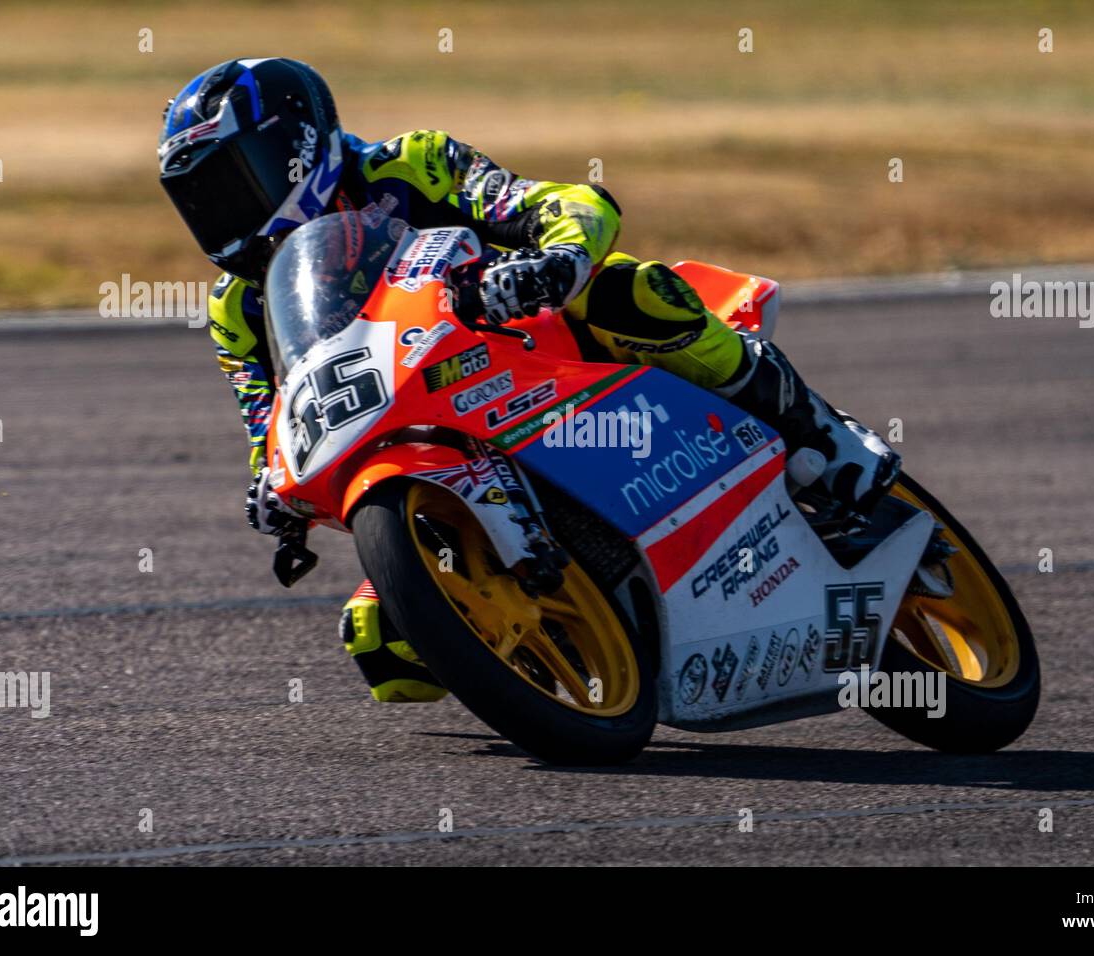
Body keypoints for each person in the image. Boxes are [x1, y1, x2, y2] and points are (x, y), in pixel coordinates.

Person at [158, 58, 900, 704]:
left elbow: (563, 204)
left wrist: (556, 260)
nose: (223, 216)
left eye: (233, 183)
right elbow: (269, 418)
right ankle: (585, 649)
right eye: (203, 202)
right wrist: (271, 488)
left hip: (537, 351)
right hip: (422, 430)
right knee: (386, 647)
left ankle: (819, 438)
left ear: (297, 148)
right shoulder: (238, 307)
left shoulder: (412, 165)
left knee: (629, 294)